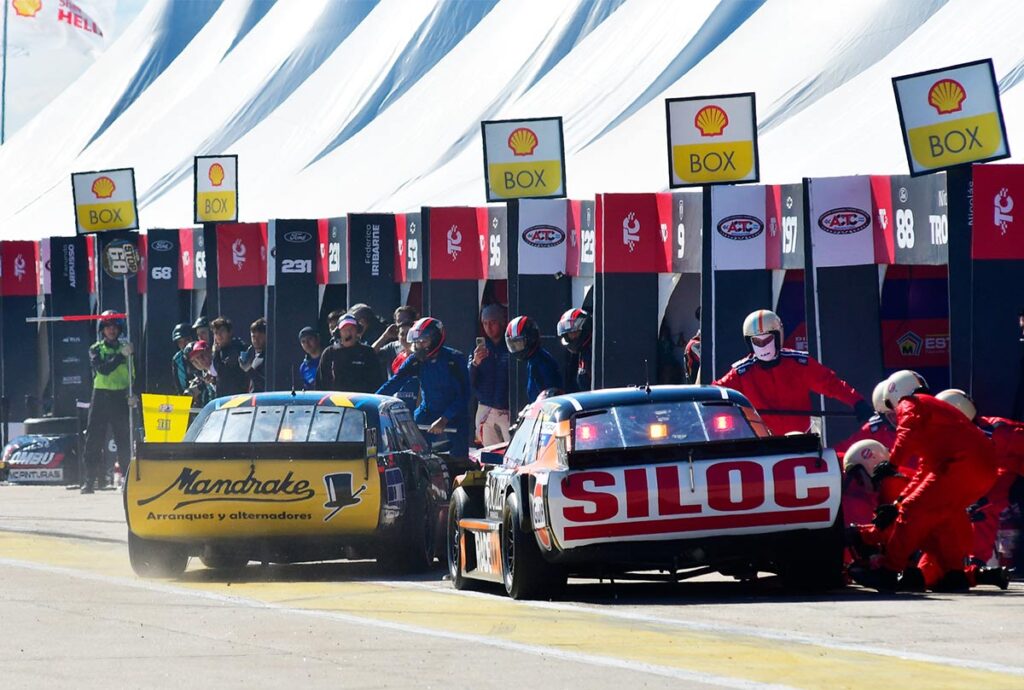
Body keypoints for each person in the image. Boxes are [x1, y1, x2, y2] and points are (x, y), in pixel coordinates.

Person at [850, 371, 999, 592]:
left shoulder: (911, 403)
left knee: (912, 511)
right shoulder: (936, 421)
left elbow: (906, 430)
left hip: (962, 466)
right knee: (939, 517)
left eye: (892, 412)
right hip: (981, 470)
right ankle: (954, 575)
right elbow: (924, 473)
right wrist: (896, 504)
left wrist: (892, 465)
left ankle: (888, 572)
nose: (894, 418)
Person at [713, 309, 871, 436]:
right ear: (749, 342)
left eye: (767, 340)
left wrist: (857, 401)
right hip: (762, 444)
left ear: (778, 337)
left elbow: (831, 383)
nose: (763, 346)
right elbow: (715, 393)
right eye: (757, 341)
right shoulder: (741, 372)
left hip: (800, 440)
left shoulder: (799, 364)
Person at [936, 389, 1023, 571]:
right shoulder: (961, 440)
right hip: (1010, 475)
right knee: (982, 505)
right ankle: (977, 563)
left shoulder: (999, 432)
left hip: (1017, 475)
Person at [378, 317, 470, 472]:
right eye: (417, 342)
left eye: (424, 341)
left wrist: (445, 419)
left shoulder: (454, 360)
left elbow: (464, 395)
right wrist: (375, 400)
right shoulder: (416, 360)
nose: (420, 346)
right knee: (412, 451)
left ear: (435, 339)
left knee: (459, 460)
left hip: (454, 415)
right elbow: (395, 382)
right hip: (428, 411)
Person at [81, 311, 133, 494]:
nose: (111, 330)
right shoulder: (96, 348)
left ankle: (128, 479)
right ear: (102, 330)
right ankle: (90, 480)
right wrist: (120, 356)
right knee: (94, 439)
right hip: (101, 397)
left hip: (120, 396)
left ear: (119, 329)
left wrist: (133, 393)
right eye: (107, 327)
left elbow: (132, 374)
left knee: (124, 439)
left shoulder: (127, 348)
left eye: (114, 327)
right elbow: (103, 370)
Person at [469, 303, 510, 446]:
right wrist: (475, 363)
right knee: (490, 454)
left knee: (512, 452)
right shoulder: (479, 349)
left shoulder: (511, 345)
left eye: (493, 322)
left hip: (507, 409)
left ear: (502, 322)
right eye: (485, 323)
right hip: (485, 407)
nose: (489, 327)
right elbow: (469, 381)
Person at [316, 315, 385, 393]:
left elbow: (377, 382)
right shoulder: (329, 353)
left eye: (352, 328)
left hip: (362, 402)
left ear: (357, 331)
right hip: (336, 402)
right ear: (339, 332)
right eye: (344, 329)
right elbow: (320, 385)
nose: (348, 332)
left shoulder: (368, 352)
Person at [506, 316, 561, 404]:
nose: (516, 348)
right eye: (513, 345)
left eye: (519, 343)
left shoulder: (542, 363)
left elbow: (550, 397)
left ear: (531, 339)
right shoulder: (533, 360)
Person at [210, 317, 248, 396]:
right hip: (223, 398)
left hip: (238, 397)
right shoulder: (219, 350)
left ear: (230, 332)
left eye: (222, 331)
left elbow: (222, 371)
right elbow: (214, 373)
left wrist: (216, 353)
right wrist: (216, 352)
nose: (219, 335)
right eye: (216, 333)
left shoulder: (237, 348)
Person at [557, 307, 592, 393]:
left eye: (574, 333)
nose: (571, 337)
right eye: (569, 334)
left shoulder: (591, 353)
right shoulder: (581, 353)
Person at [374, 305, 419, 370]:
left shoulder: (421, 345)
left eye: (405, 320)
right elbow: (370, 353)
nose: (402, 323)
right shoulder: (392, 347)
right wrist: (385, 336)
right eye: (399, 321)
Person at [184, 340, 217, 408]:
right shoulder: (200, 377)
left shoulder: (218, 365)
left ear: (209, 351)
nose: (199, 361)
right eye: (194, 360)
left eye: (201, 355)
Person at [239, 318, 267, 393]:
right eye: (253, 337)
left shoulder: (268, 357)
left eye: (259, 337)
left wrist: (249, 370)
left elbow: (267, 384)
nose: (256, 340)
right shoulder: (254, 356)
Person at [170, 322, 194, 395]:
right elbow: (179, 386)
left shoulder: (204, 352)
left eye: (187, 340)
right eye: (180, 342)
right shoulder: (177, 360)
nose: (184, 344)